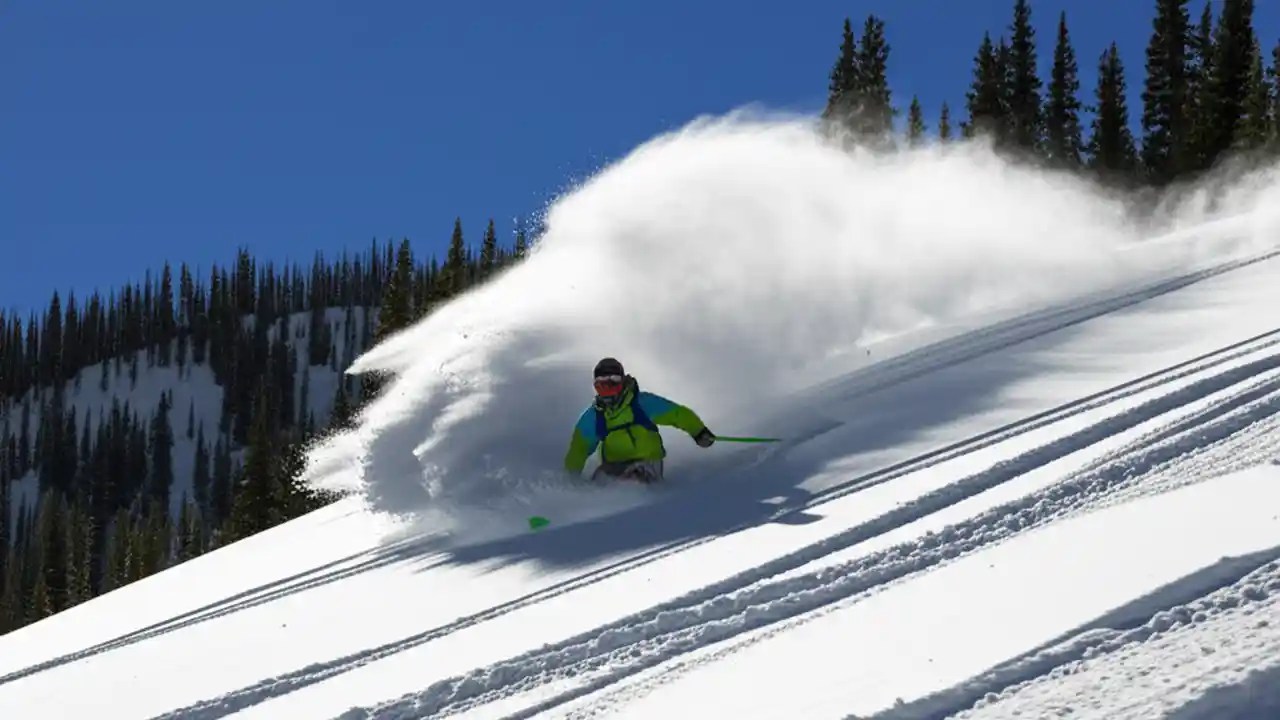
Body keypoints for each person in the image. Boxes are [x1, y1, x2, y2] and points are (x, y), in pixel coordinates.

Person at [563, 357, 716, 483]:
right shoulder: (595, 416)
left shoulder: (641, 404)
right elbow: (579, 449)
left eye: (613, 384)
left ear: (622, 383)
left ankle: (643, 503)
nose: (609, 392)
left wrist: (699, 431)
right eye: (602, 387)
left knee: (634, 479)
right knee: (600, 480)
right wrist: (571, 479)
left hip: (646, 461)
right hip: (614, 465)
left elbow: (677, 414)